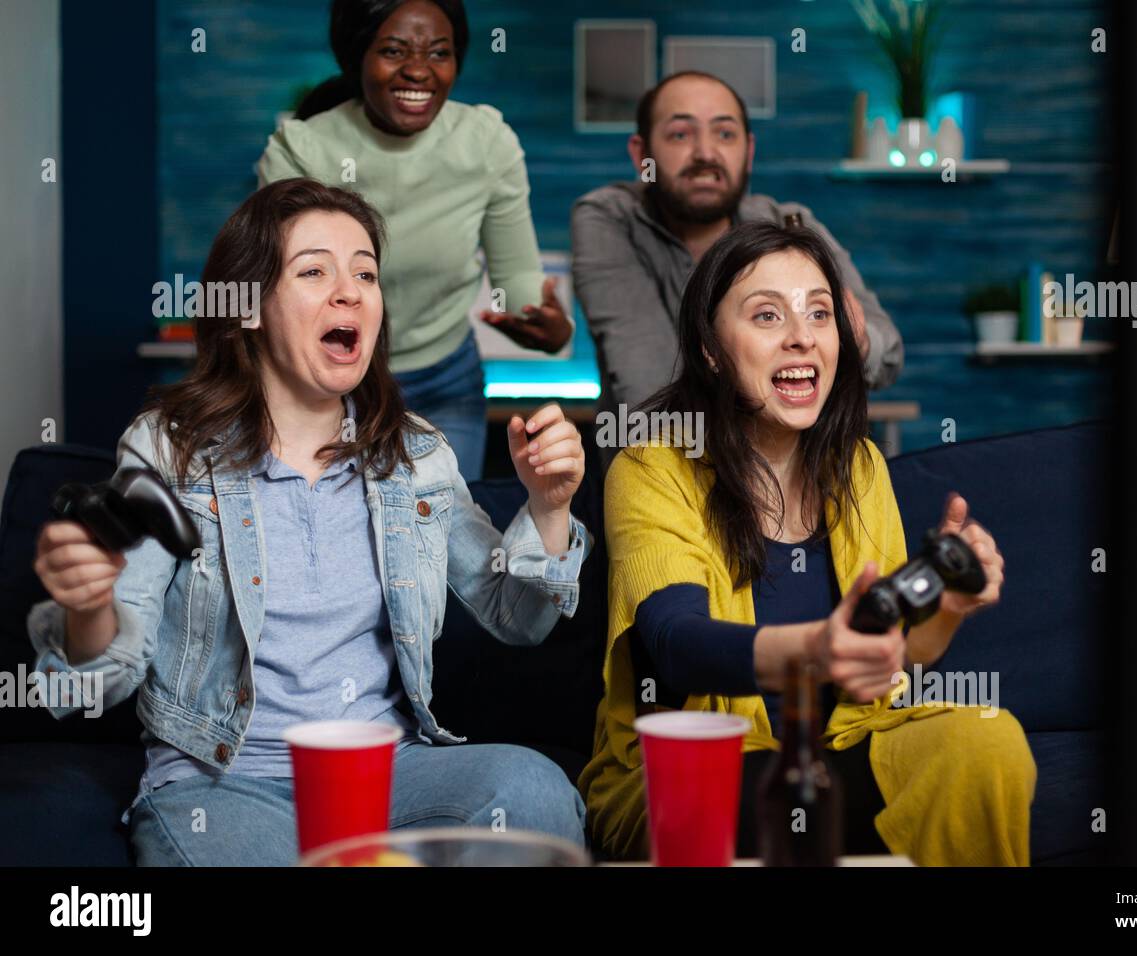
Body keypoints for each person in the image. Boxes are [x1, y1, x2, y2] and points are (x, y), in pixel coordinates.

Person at [29, 178, 590, 866]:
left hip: (384, 774)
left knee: (532, 789)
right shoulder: (167, 449)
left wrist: (548, 505)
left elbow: (518, 616)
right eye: (314, 272)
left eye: (365, 274)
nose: (350, 292)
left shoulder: (416, 454)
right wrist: (88, 607)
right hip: (224, 785)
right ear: (250, 307)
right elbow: (92, 684)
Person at [577, 220, 1035, 865]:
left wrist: (949, 608)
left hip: (843, 749)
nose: (802, 336)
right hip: (704, 763)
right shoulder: (651, 468)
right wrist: (815, 650)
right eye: (768, 315)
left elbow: (895, 661)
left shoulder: (860, 467)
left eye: (819, 313)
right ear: (711, 349)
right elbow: (679, 646)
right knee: (740, 804)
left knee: (987, 738)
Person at [258, 0, 574, 480]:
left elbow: (518, 278)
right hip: (329, 380)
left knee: (446, 522)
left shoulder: (486, 141)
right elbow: (280, 292)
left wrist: (545, 324)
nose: (418, 71)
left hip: (445, 381)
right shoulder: (300, 150)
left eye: (439, 53)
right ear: (357, 56)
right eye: (393, 51)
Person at [571, 70, 905, 470]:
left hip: (803, 485)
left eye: (725, 134)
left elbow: (887, 353)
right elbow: (649, 388)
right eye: (680, 134)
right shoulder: (608, 219)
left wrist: (855, 340)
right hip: (663, 478)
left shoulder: (790, 223)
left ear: (748, 151)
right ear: (642, 155)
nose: (705, 154)